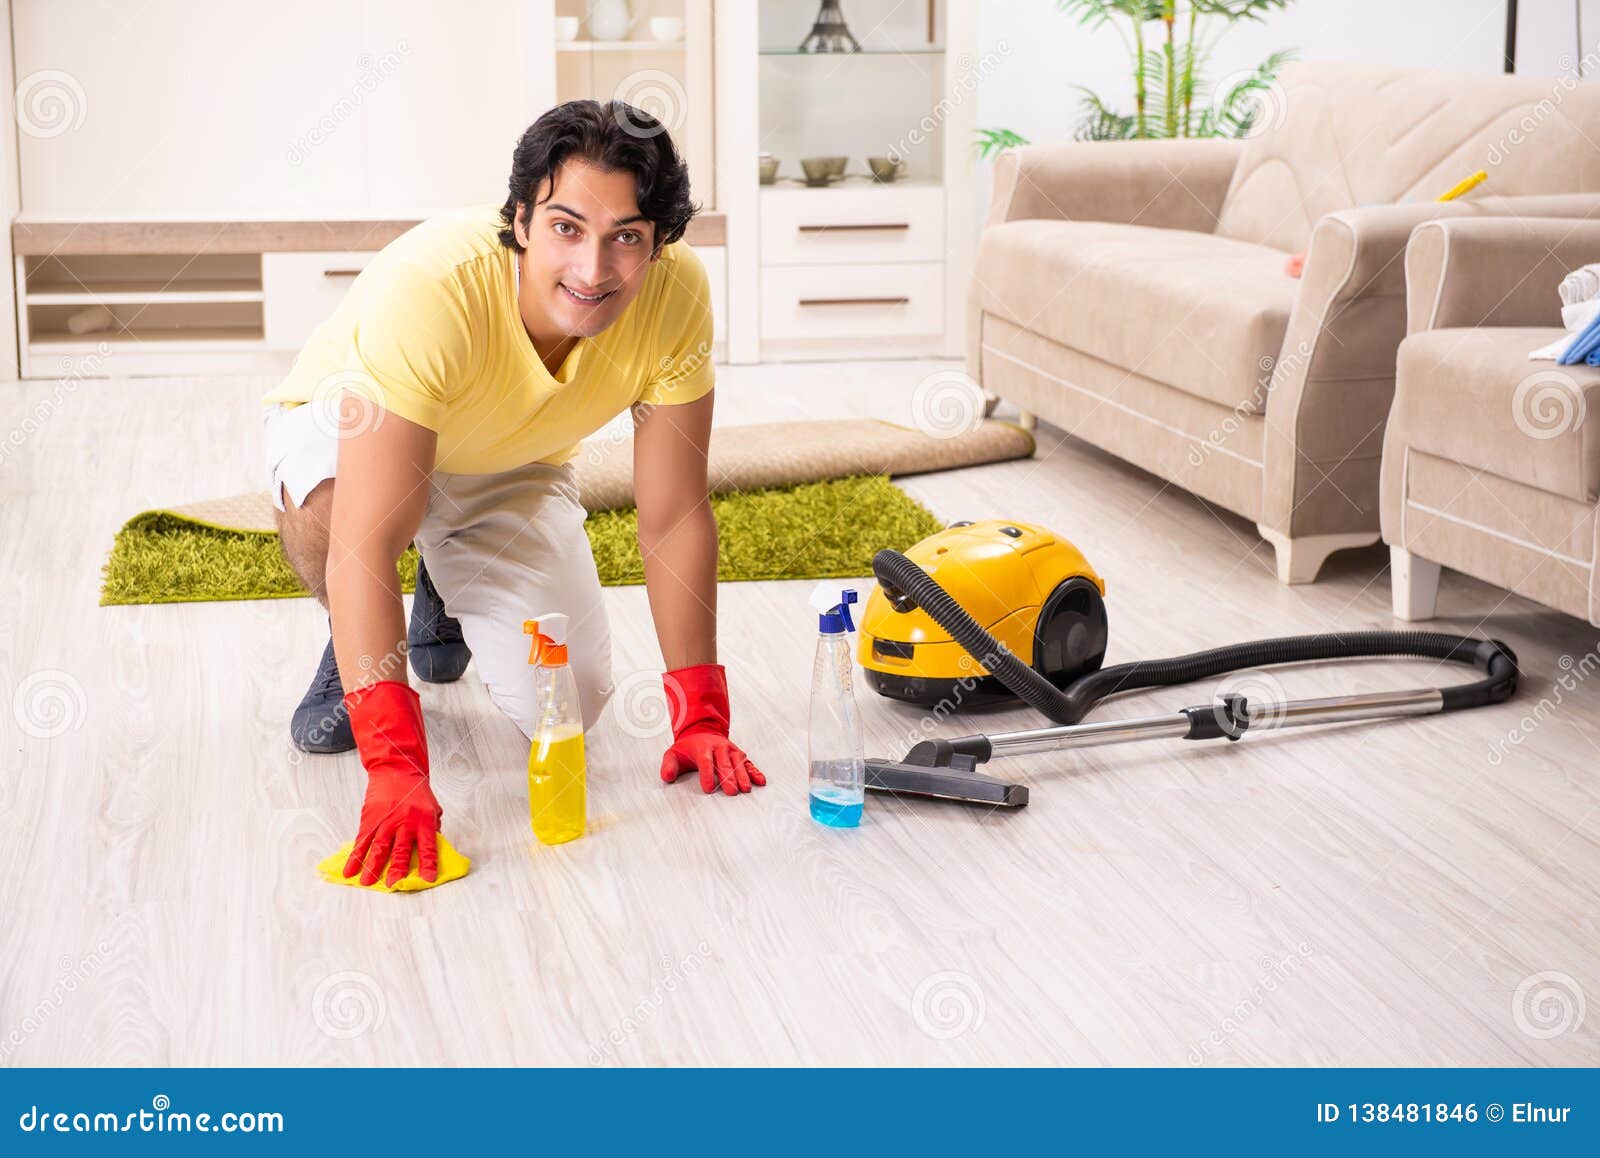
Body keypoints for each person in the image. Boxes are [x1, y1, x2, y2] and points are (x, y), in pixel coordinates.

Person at [259, 99, 766, 889]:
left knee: (567, 703)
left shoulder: (678, 298)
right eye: (567, 228)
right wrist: (395, 769)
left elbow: (673, 517)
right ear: (521, 219)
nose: (592, 270)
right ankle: (353, 635)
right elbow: (362, 544)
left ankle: (439, 587)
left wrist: (700, 716)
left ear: (659, 244)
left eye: (626, 237)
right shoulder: (432, 287)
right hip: (351, 430)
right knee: (345, 520)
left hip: (508, 462)